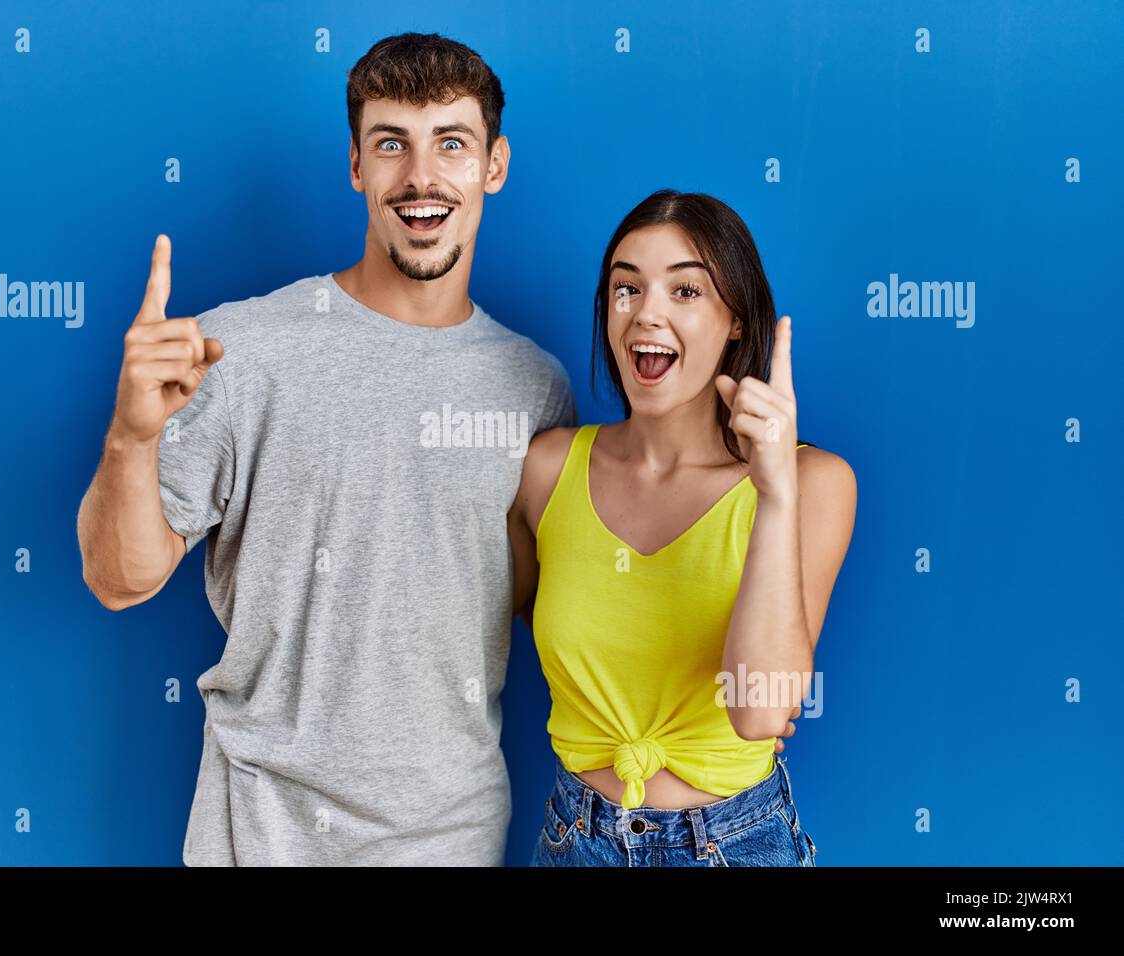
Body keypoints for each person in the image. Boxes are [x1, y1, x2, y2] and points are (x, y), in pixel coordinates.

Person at [76, 33, 574, 866]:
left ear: (494, 164)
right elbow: (118, 579)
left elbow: (548, 606)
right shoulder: (241, 351)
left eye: (451, 142)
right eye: (392, 144)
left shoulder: (535, 388)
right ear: (356, 167)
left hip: (447, 839)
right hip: (257, 835)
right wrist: (131, 436)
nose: (421, 177)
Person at [508, 190, 856, 866]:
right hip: (573, 840)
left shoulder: (816, 484)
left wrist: (775, 493)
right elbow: (488, 632)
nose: (647, 313)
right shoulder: (547, 470)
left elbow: (759, 713)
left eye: (686, 290)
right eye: (626, 288)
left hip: (733, 845)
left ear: (734, 321)